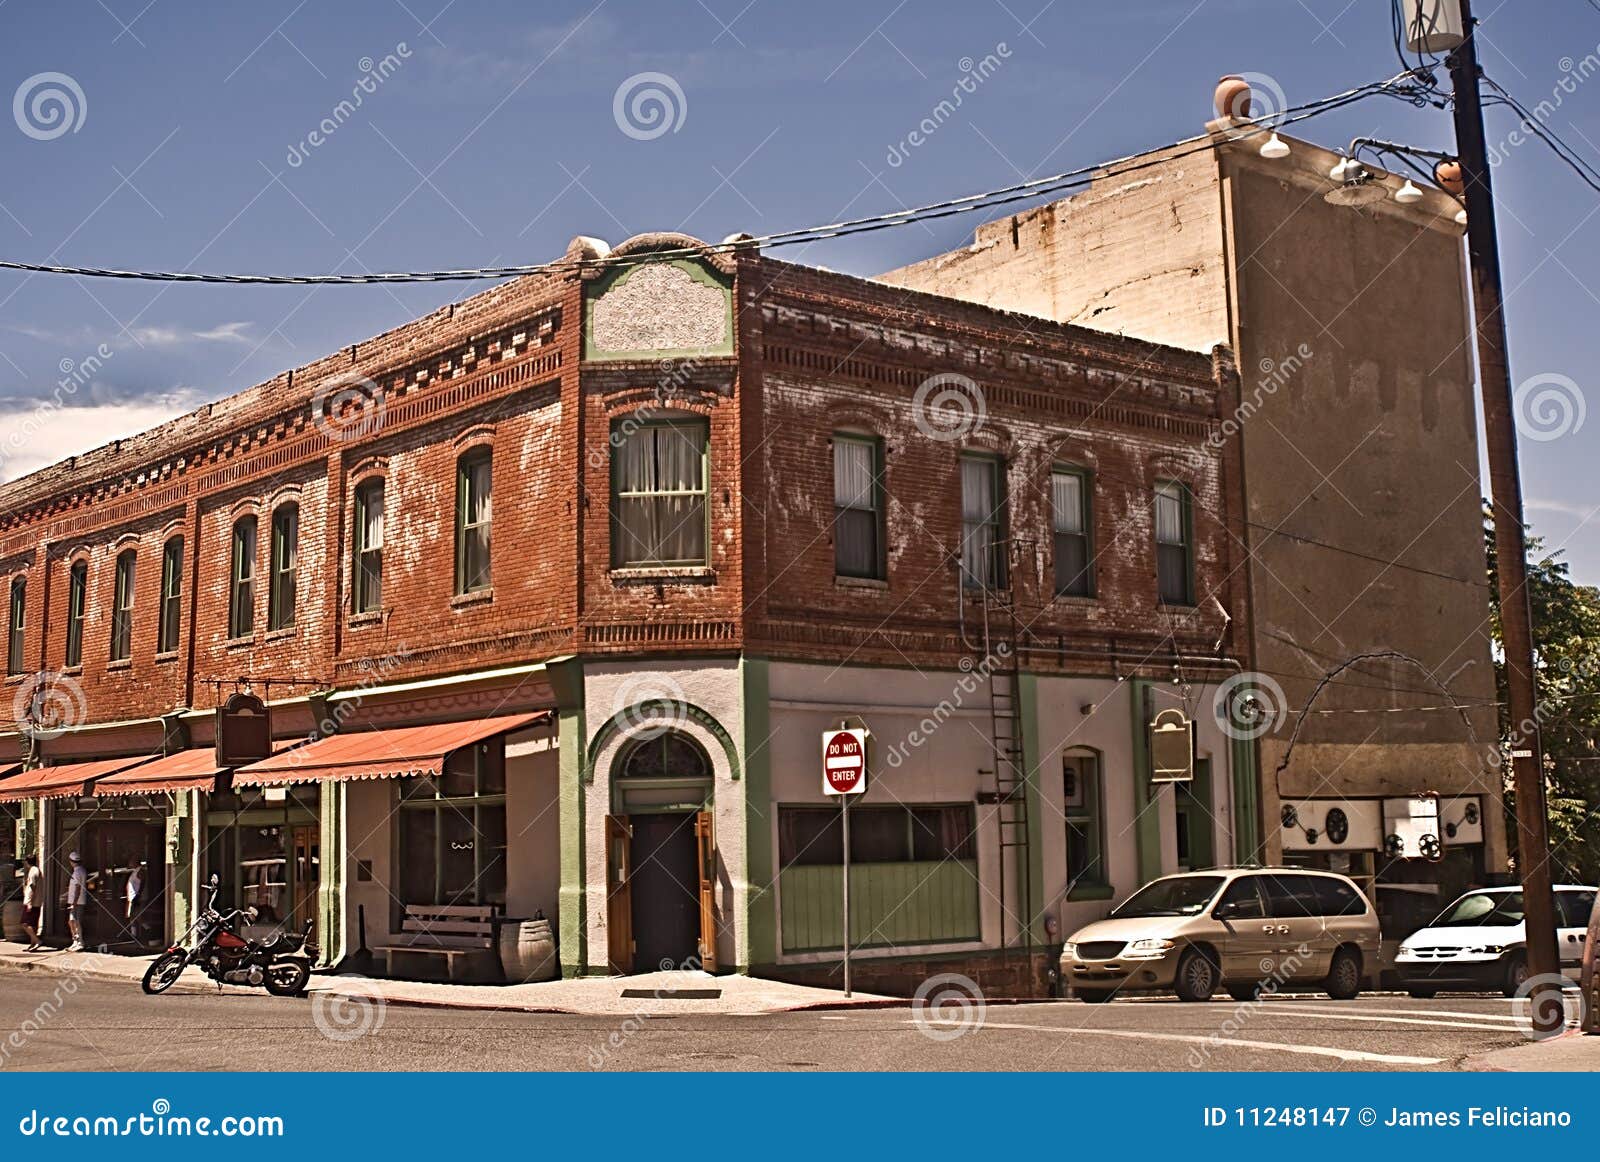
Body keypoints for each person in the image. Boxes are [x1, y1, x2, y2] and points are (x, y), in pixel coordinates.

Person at [20, 856, 43, 952]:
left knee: (25, 923)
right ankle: (32, 943)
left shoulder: (33, 871)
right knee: (32, 924)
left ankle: (37, 941)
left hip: (32, 902)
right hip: (36, 901)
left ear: (27, 862)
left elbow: (32, 886)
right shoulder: (36, 870)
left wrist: (29, 902)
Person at [65, 851, 87, 952]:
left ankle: (80, 942)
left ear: (72, 861)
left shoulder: (78, 872)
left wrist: (74, 902)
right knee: (72, 921)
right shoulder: (78, 871)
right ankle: (75, 940)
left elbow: (77, 888)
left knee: (76, 922)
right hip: (76, 901)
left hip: (77, 902)